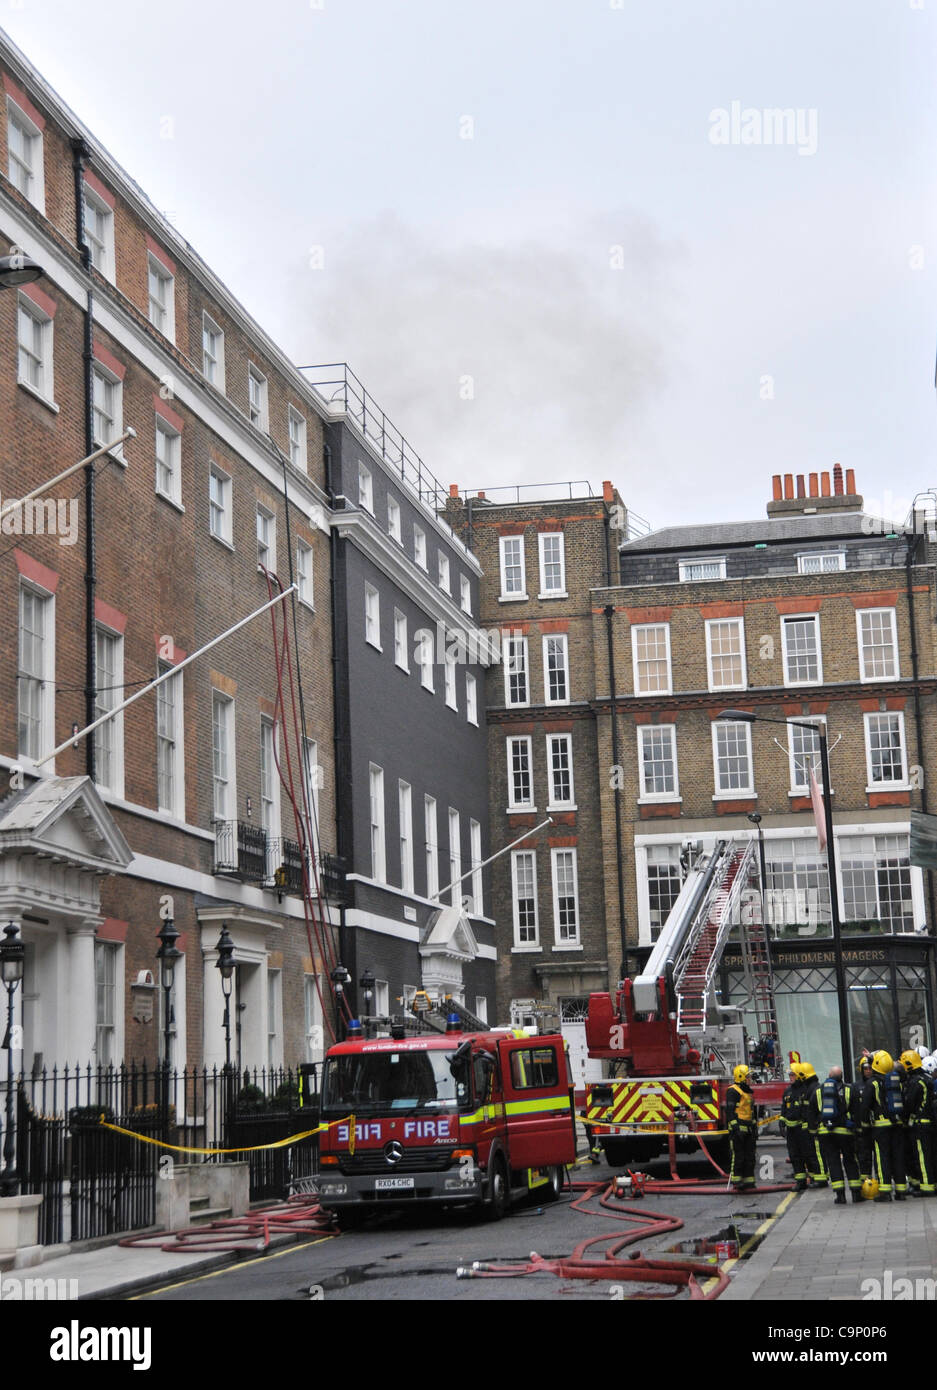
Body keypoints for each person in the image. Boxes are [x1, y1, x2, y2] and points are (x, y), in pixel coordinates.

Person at [808, 1065, 862, 1204]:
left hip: (826, 1133)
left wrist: (814, 1132)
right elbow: (858, 1111)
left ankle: (840, 1195)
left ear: (829, 1076)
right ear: (841, 1076)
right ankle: (856, 1194)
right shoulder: (850, 1090)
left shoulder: (818, 1091)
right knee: (850, 1160)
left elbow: (812, 1113)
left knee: (833, 1162)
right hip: (845, 1132)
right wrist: (856, 1128)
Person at [862, 1050, 908, 1202]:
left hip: (881, 1128)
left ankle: (885, 1192)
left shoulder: (873, 1083)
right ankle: (901, 1191)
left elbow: (866, 1106)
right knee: (898, 1157)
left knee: (883, 1159)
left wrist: (862, 1124)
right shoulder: (896, 1082)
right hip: (898, 1125)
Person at [900, 1050, 935, 1197]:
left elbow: (909, 1104)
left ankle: (926, 1187)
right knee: (931, 1155)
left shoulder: (915, 1082)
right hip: (930, 1123)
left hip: (919, 1125)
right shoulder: (927, 1078)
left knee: (922, 1156)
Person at [726, 1063, 758, 1191]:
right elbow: (730, 1111)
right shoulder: (733, 1091)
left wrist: (755, 1128)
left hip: (749, 1129)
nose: (750, 1079)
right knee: (739, 1157)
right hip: (738, 1130)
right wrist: (735, 1128)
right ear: (741, 1077)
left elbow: (750, 1112)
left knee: (750, 1156)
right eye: (748, 1077)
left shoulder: (747, 1092)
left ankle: (749, 1181)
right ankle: (737, 1182)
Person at [798, 1062, 828, 1188]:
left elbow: (811, 1111)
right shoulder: (813, 1087)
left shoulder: (812, 1089)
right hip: (813, 1127)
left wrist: (812, 1128)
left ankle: (821, 1179)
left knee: (818, 1154)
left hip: (815, 1128)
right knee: (814, 1153)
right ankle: (818, 1176)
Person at [781, 1063, 808, 1191]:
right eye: (790, 1075)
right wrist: (782, 1123)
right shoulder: (788, 1091)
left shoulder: (805, 1090)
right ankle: (800, 1181)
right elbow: (783, 1109)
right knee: (794, 1155)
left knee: (807, 1154)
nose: (790, 1077)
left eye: (792, 1075)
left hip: (802, 1129)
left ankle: (813, 1178)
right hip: (791, 1131)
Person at [855, 1054, 875, 1184]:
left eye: (870, 1068)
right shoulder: (856, 1086)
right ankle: (865, 1183)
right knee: (863, 1156)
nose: (868, 1071)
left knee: (880, 1157)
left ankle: (882, 1181)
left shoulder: (878, 1083)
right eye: (865, 1068)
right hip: (863, 1128)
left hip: (877, 1127)